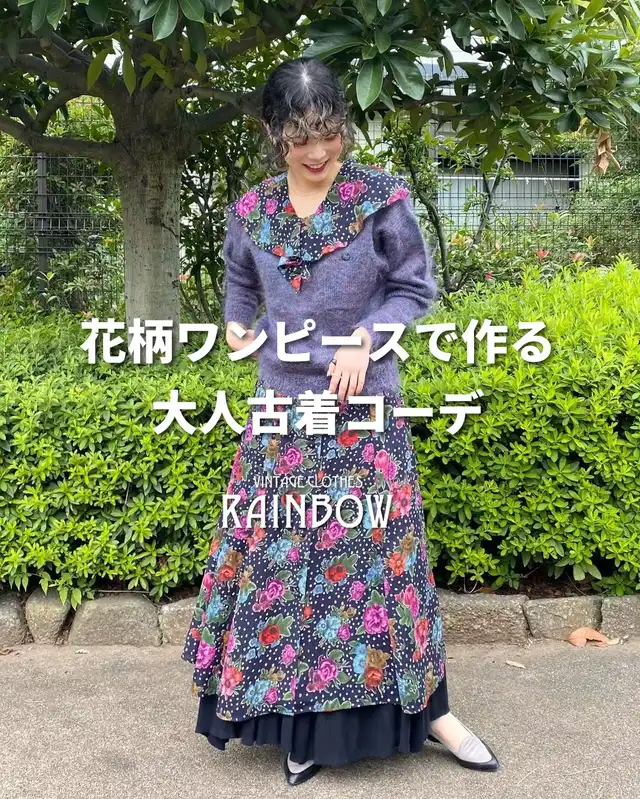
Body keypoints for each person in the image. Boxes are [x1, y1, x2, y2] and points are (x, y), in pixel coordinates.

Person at [181, 56, 500, 786]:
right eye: (300, 139)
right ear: (273, 134)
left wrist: (366, 338)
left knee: (384, 566)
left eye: (329, 133)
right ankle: (302, 729)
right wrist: (236, 322)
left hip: (365, 411)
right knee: (285, 568)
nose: (318, 151)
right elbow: (239, 281)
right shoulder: (252, 212)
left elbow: (413, 287)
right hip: (282, 417)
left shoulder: (381, 200)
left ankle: (433, 714)